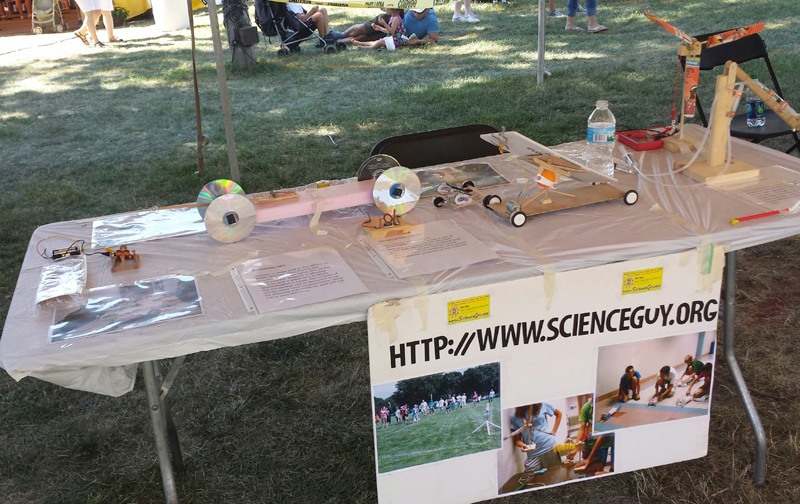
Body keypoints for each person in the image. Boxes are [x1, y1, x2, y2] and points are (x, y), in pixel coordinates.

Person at [510, 403, 559, 473]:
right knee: (531, 477)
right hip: (533, 454)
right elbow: (517, 440)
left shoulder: (543, 405)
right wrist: (523, 445)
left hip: (549, 447)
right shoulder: (515, 417)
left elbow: (558, 414)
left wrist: (554, 430)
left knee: (555, 475)